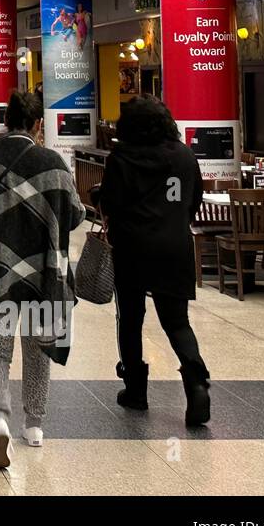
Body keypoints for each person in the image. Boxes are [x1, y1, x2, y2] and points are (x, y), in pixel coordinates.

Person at [0, 91, 84, 468]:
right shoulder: (55, 163)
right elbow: (74, 216)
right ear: (39, 124)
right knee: (39, 349)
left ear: (7, 120)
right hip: (46, 276)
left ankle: (0, 421)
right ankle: (35, 426)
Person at [98, 95, 211, 425]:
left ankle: (136, 389)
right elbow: (194, 200)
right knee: (177, 322)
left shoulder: (122, 157)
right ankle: (196, 383)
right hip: (174, 247)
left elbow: (111, 202)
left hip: (132, 247)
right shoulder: (185, 156)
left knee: (130, 319)